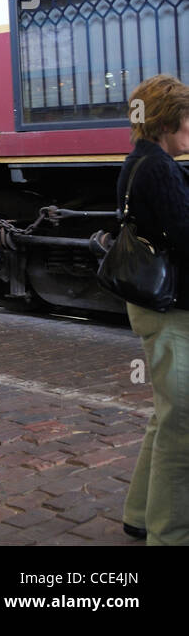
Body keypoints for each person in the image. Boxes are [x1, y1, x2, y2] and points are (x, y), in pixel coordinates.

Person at [119, 73, 189, 545]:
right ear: (168, 123)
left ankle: (140, 515)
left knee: (167, 415)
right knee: (182, 430)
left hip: (151, 305)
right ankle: (171, 535)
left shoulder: (137, 162)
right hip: (171, 312)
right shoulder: (160, 169)